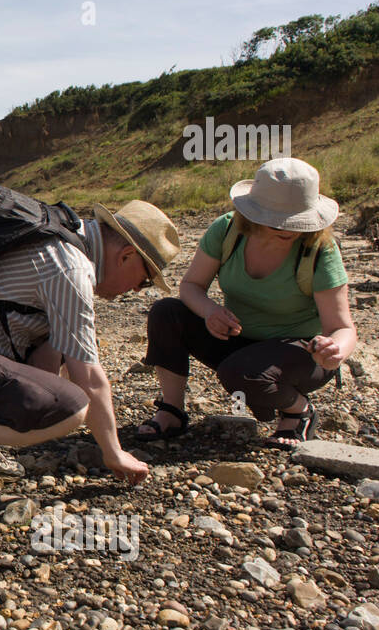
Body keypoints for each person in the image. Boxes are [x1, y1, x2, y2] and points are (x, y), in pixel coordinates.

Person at [0, 200, 182, 507]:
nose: (137, 289)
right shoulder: (71, 267)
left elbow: (54, 364)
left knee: (49, 393)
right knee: (71, 407)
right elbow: (90, 380)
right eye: (144, 279)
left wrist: (36, 411)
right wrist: (114, 452)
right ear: (127, 255)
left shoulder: (59, 239)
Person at [136, 157, 355, 448]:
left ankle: (298, 410)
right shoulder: (228, 231)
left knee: (242, 372)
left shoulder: (318, 250)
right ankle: (172, 410)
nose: (287, 228)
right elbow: (191, 286)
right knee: (166, 313)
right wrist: (211, 311)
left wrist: (335, 349)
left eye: (294, 219)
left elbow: (342, 327)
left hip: (299, 354)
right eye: (276, 218)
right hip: (238, 341)